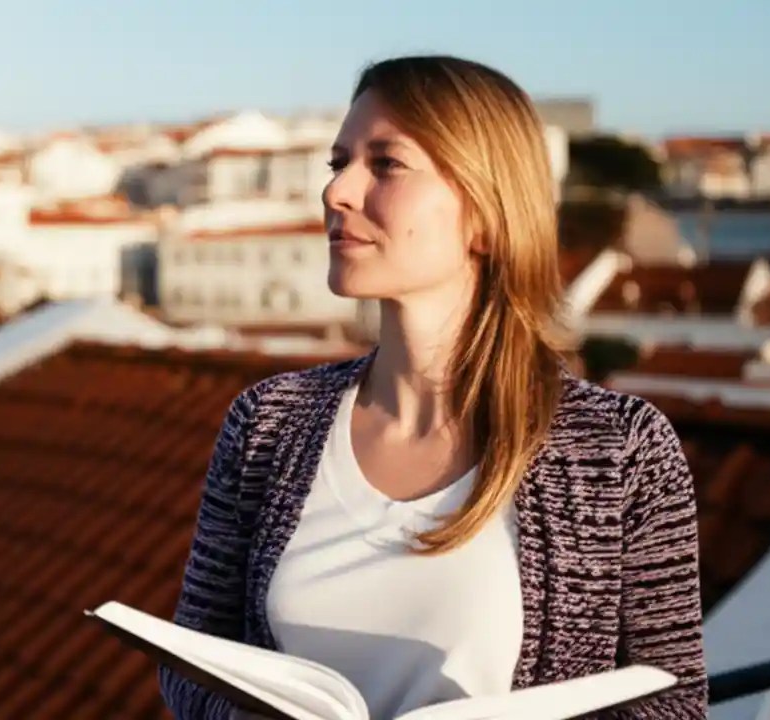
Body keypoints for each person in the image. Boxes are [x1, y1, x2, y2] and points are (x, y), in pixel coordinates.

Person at [158, 55, 706, 720]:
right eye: (339, 163)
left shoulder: (619, 451)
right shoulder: (269, 423)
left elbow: (670, 705)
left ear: (483, 211)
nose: (337, 192)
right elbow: (191, 664)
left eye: (385, 164)